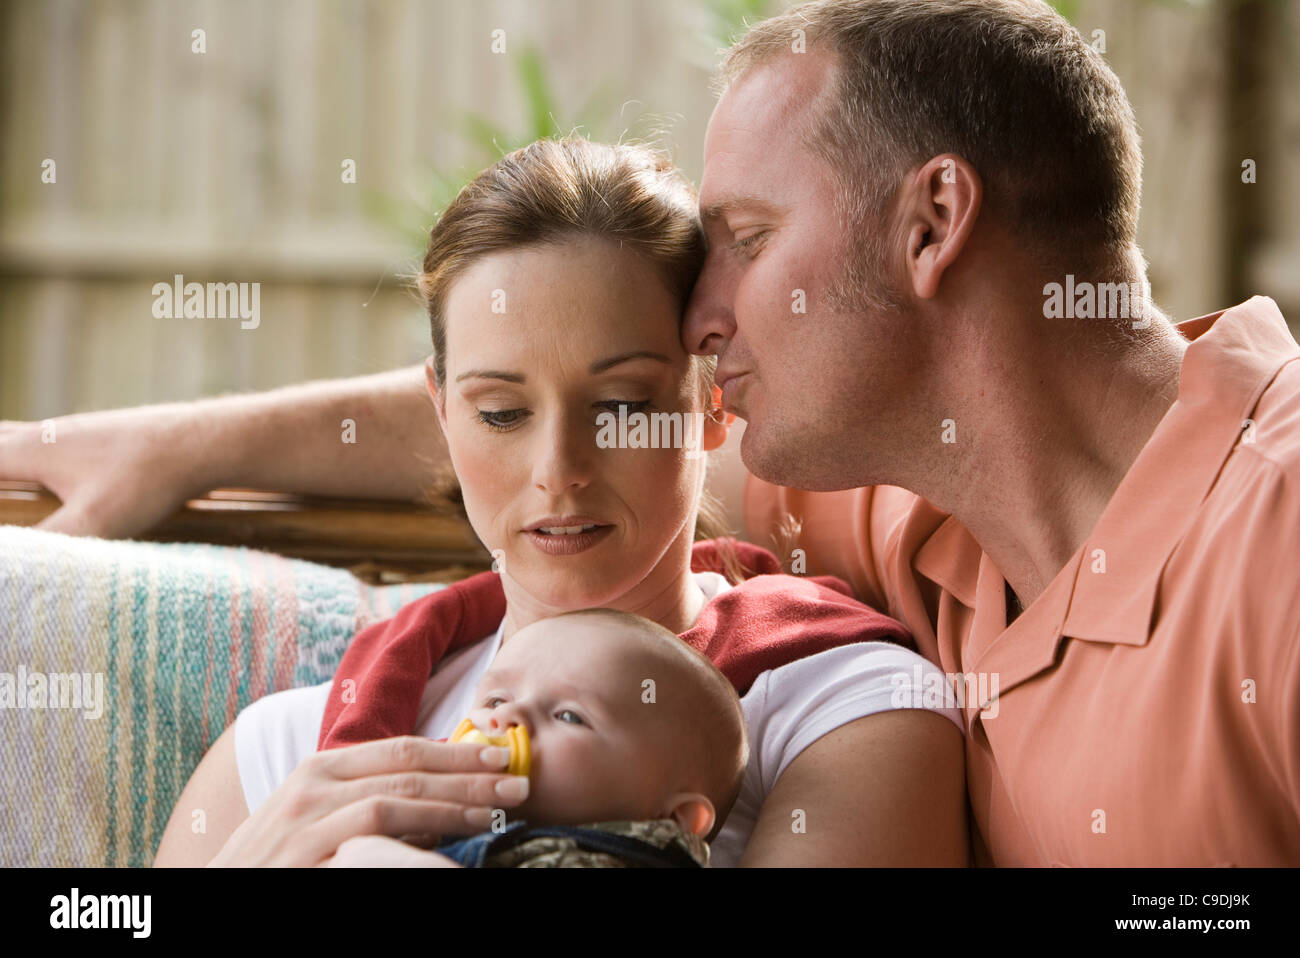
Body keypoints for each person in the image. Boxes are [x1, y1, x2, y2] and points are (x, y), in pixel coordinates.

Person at [7, 0, 1295, 866]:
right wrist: (176, 446)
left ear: (931, 222)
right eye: (498, 414)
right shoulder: (918, 492)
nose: (709, 313)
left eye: (742, 239)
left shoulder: (1273, 542)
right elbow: (557, 416)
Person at [140, 136, 968, 867]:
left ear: (712, 405)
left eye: (622, 406)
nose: (558, 470)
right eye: (501, 412)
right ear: (443, 415)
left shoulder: (845, 709)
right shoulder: (289, 753)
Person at [401, 607, 748, 868]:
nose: (505, 717)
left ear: (671, 820)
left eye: (568, 716)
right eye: (496, 700)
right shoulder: (426, 821)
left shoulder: (611, 858)